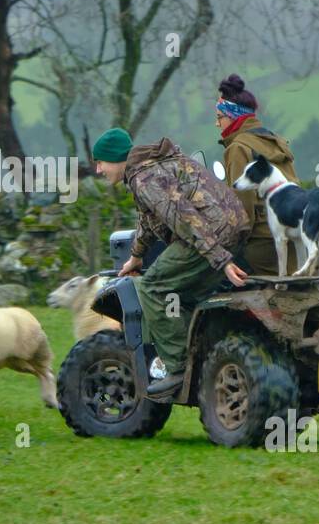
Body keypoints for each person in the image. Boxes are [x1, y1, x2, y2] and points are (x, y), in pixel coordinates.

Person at [91, 127, 249, 396]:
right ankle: (204, 356)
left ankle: (177, 368)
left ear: (116, 158)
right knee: (183, 295)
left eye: (100, 162)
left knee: (152, 288)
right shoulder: (148, 167)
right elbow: (149, 218)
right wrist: (137, 256)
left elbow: (186, 220)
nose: (98, 170)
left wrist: (221, 261)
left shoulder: (144, 178)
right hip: (231, 229)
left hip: (210, 235)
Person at [215, 74, 300, 276]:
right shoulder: (275, 141)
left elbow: (241, 206)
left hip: (261, 242)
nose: (217, 124)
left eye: (219, 117)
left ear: (234, 116)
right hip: (295, 233)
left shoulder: (238, 147)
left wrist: (228, 244)